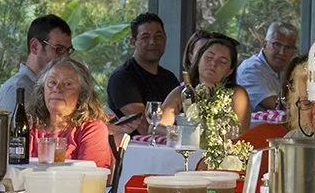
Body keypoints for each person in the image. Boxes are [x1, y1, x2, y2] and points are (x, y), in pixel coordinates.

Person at [159, 30, 252, 171]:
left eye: (222, 62)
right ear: (198, 60)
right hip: (182, 161)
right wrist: (185, 134)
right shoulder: (182, 92)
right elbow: (157, 126)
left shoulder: (237, 94)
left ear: (230, 70)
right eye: (209, 58)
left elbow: (241, 135)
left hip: (224, 164)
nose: (213, 64)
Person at [26, 57, 117, 168]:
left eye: (68, 84)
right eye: (52, 82)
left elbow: (90, 177)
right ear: (42, 90)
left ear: (82, 94)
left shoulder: (92, 128)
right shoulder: (30, 126)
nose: (57, 89)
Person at [104, 13, 179, 128]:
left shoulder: (169, 78)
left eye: (158, 36)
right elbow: (147, 127)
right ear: (133, 42)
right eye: (145, 37)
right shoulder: (122, 78)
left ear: (165, 39)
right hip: (134, 145)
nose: (152, 42)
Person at [0, 14, 72, 116]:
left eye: (68, 51)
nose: (65, 57)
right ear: (35, 46)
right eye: (59, 49)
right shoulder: (17, 89)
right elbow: (15, 131)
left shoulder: (51, 88)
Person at [234, 21, 300, 111]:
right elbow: (276, 105)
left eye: (288, 48)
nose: (282, 52)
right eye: (277, 45)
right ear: (264, 45)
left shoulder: (283, 70)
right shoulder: (250, 70)